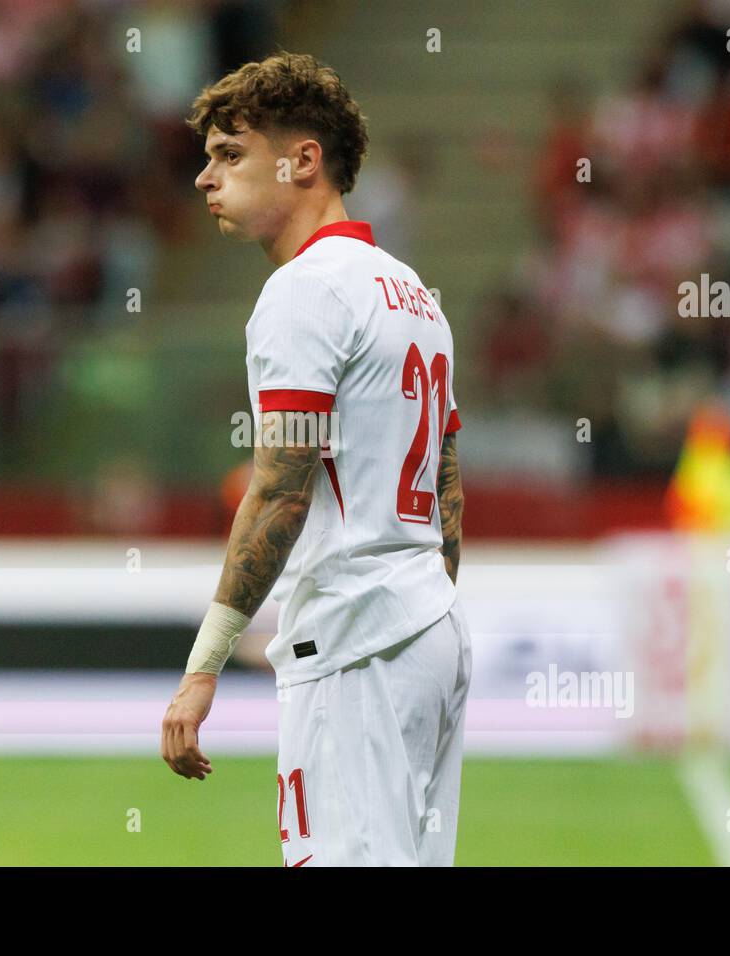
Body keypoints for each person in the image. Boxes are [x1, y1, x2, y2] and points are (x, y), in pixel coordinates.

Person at [160, 51, 470, 866]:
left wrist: (203, 666)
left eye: (230, 154)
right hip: (427, 628)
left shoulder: (305, 290)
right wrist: (427, 604)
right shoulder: (414, 294)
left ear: (304, 161)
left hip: (358, 641)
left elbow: (280, 493)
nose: (205, 178)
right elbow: (445, 489)